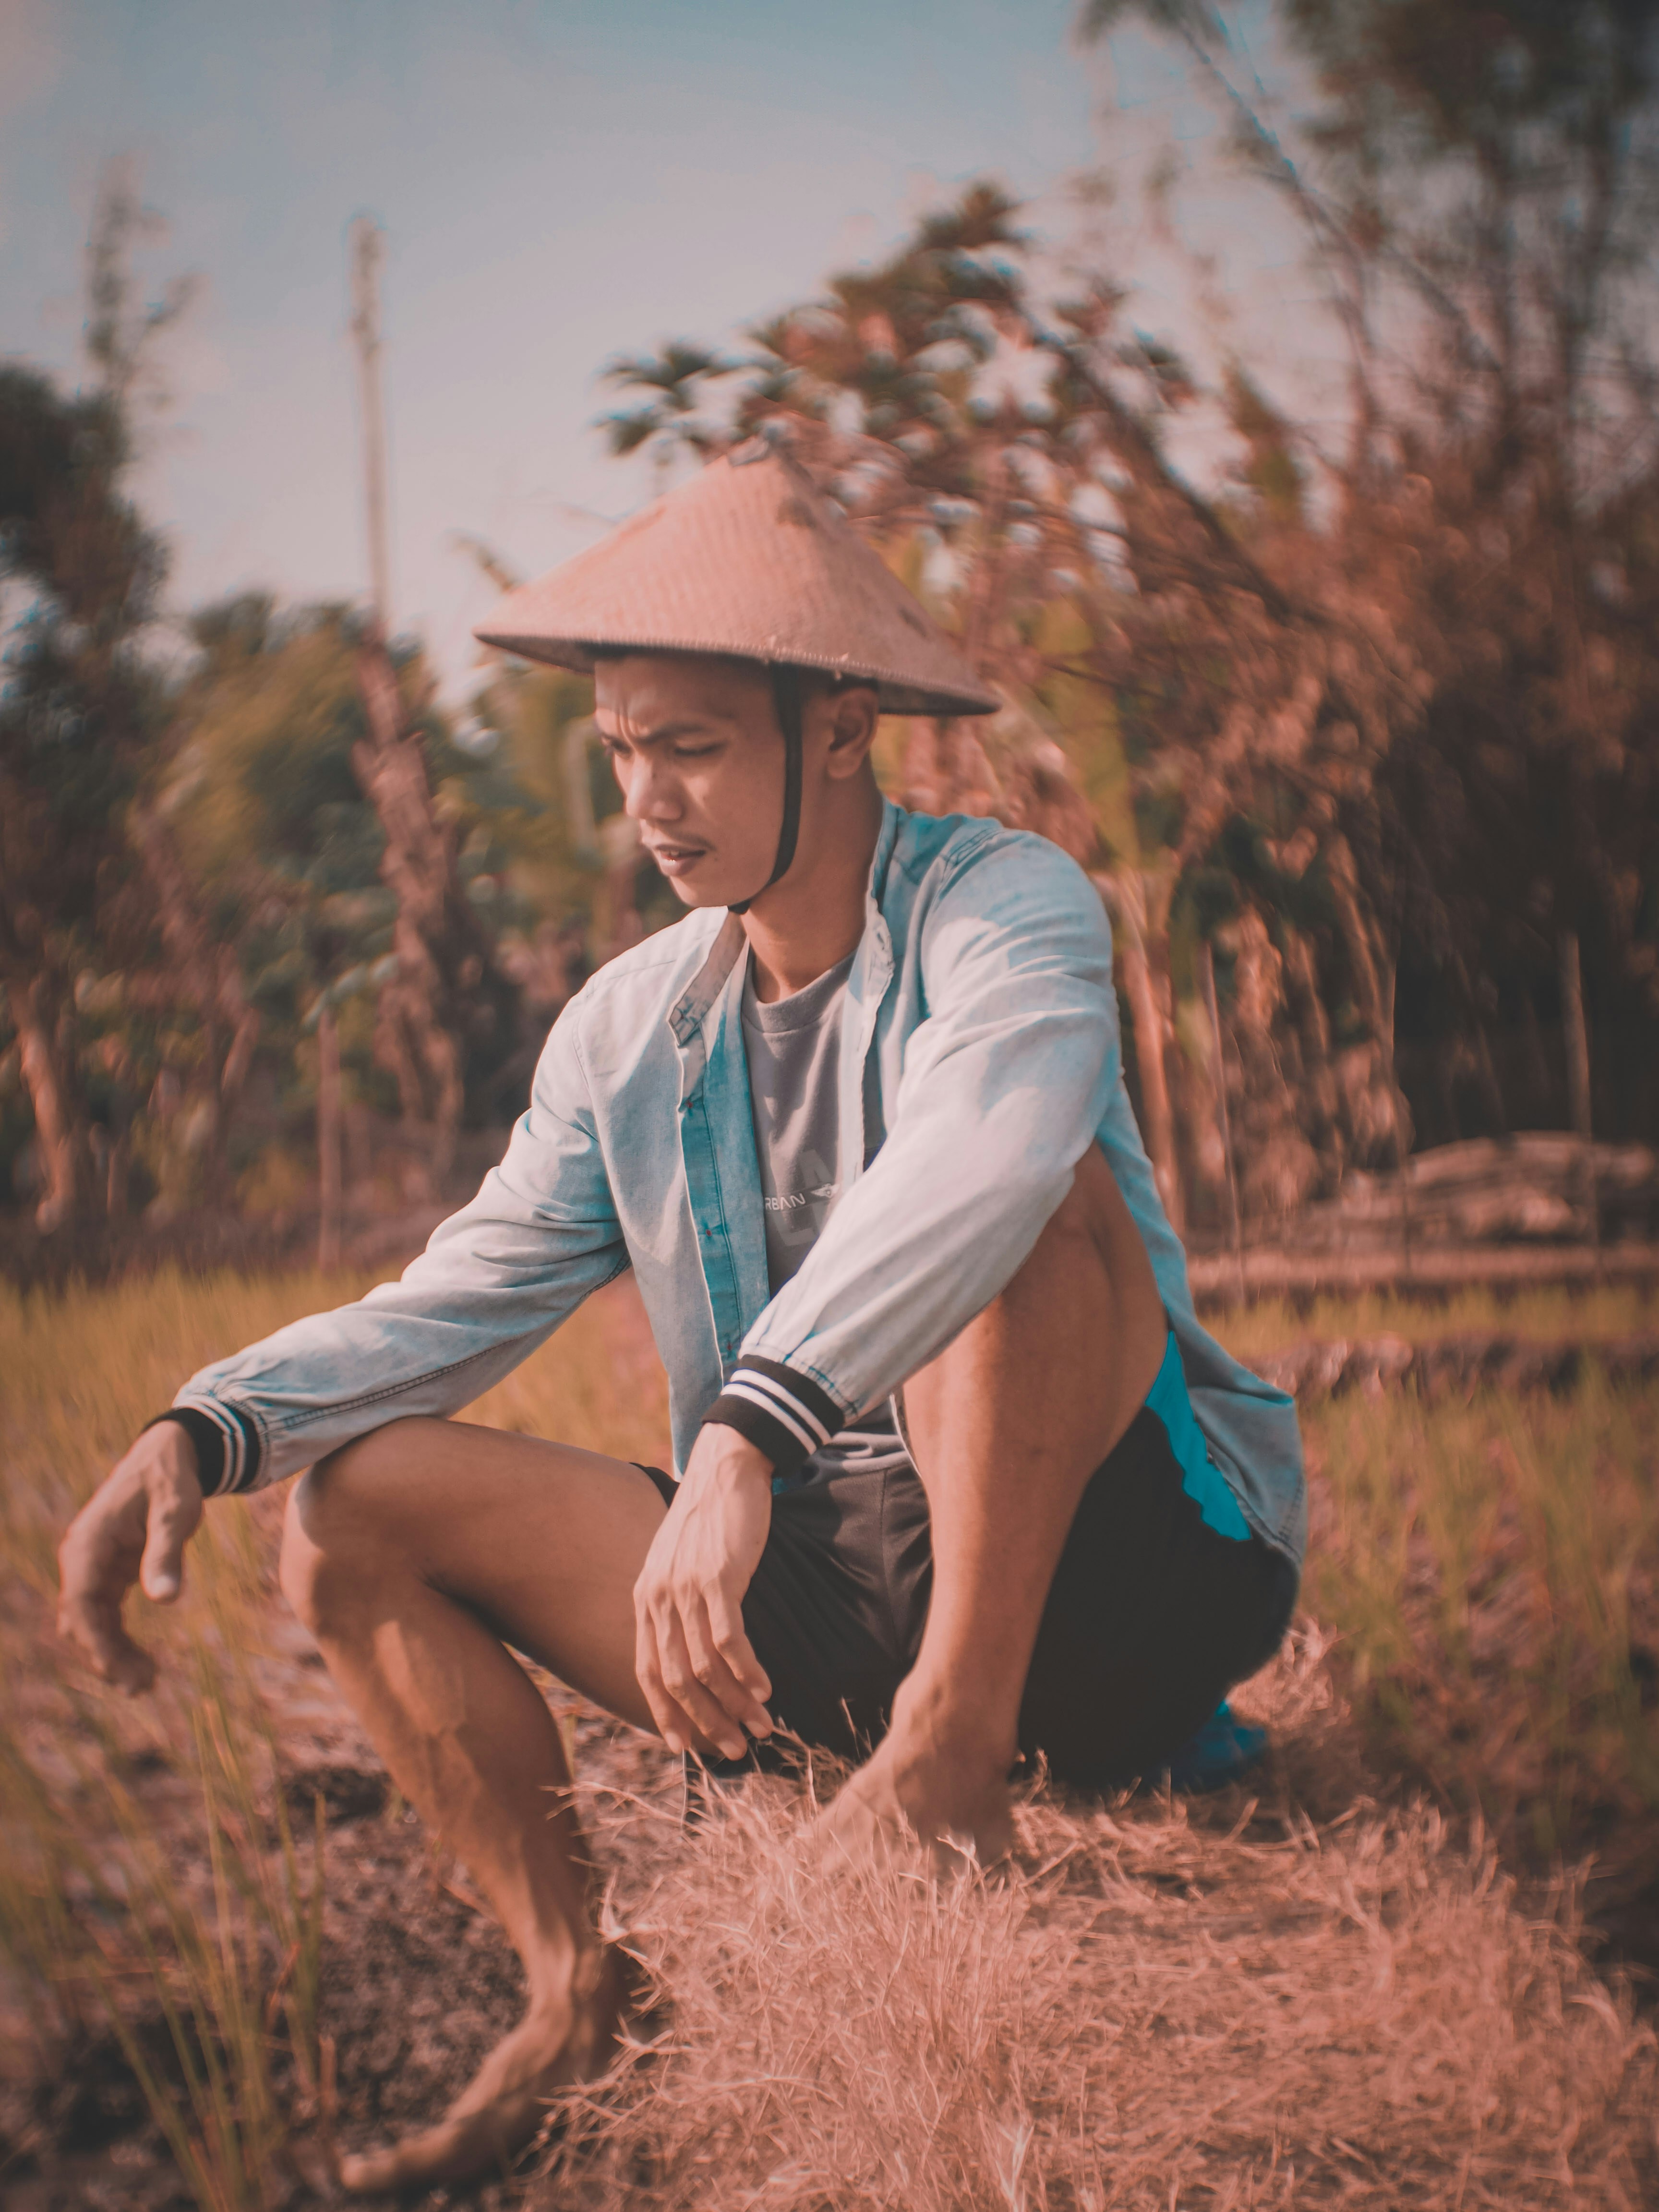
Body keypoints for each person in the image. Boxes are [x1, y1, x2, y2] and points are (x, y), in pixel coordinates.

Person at [57, 442, 1305, 2194]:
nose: (649, 797)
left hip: (1114, 1575)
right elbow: (466, 1292)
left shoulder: (1002, 907)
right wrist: (201, 1426)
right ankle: (577, 1995)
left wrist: (745, 1431)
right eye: (624, 749)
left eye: (695, 746)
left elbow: (989, 1152)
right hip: (823, 1594)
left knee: (1040, 1219)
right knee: (354, 1513)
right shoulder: (629, 1026)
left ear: (843, 727)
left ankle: (952, 1760)